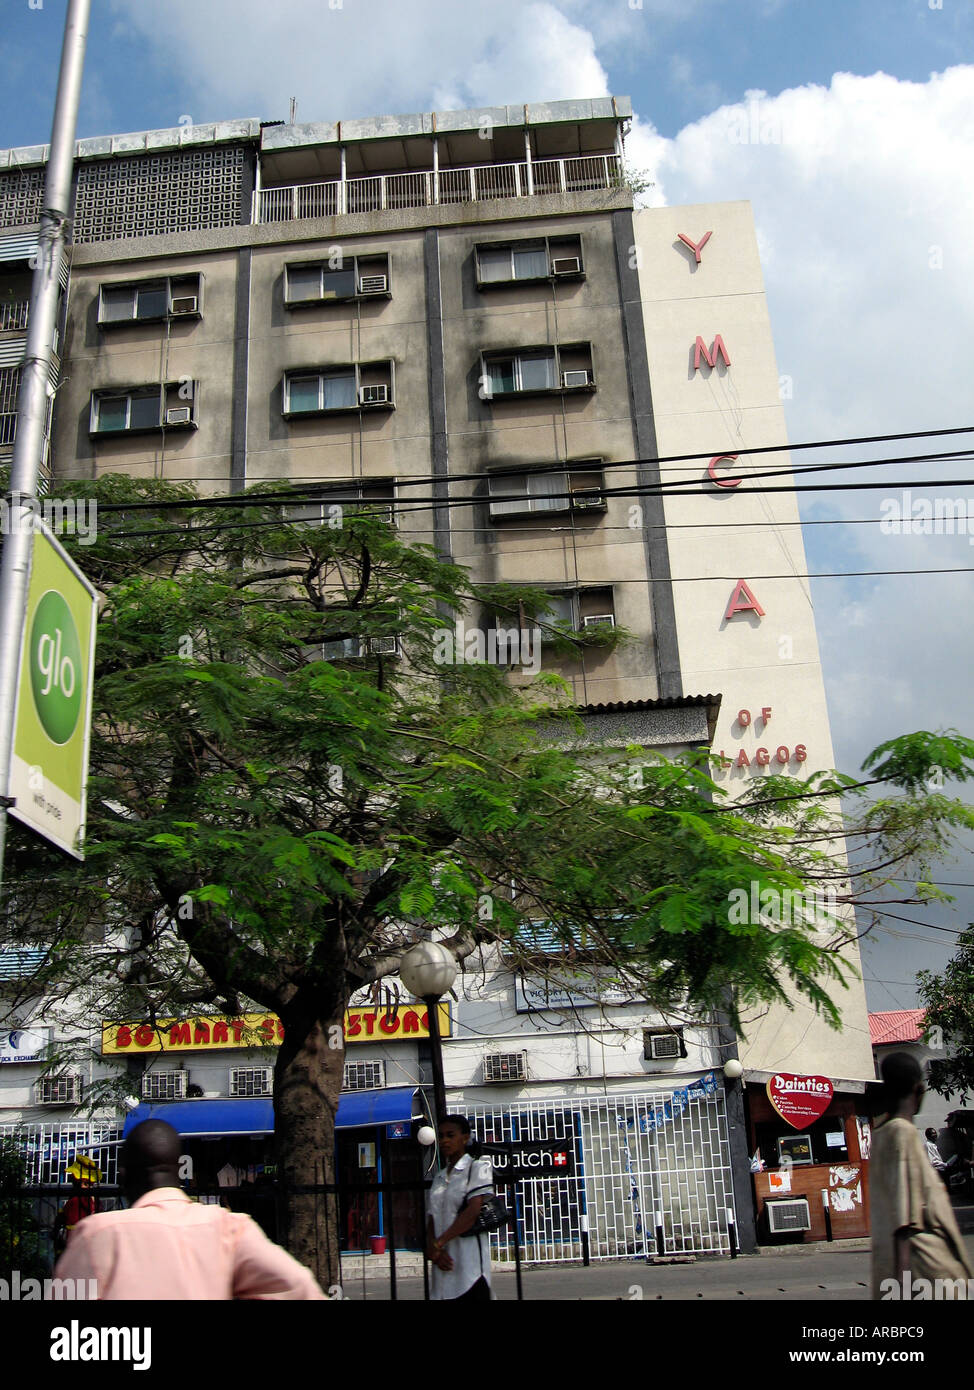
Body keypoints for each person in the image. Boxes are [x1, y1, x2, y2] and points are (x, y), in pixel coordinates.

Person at [54, 1119, 326, 1300]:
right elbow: (299, 1286)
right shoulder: (229, 1228)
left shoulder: (98, 1235)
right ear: (179, 1170)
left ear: (124, 1176)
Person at [869, 1053, 973, 1299]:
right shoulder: (902, 1133)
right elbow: (905, 1223)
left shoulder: (881, 1135)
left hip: (896, 1273)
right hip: (926, 1275)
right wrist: (901, 1289)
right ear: (919, 1091)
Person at [426, 1115, 494, 1301]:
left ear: (464, 1137)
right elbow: (432, 1217)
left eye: (450, 1135)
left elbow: (471, 1212)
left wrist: (438, 1243)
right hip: (442, 1267)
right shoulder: (439, 1178)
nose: (445, 1140)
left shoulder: (476, 1169)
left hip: (469, 1268)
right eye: (441, 1136)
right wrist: (434, 1251)